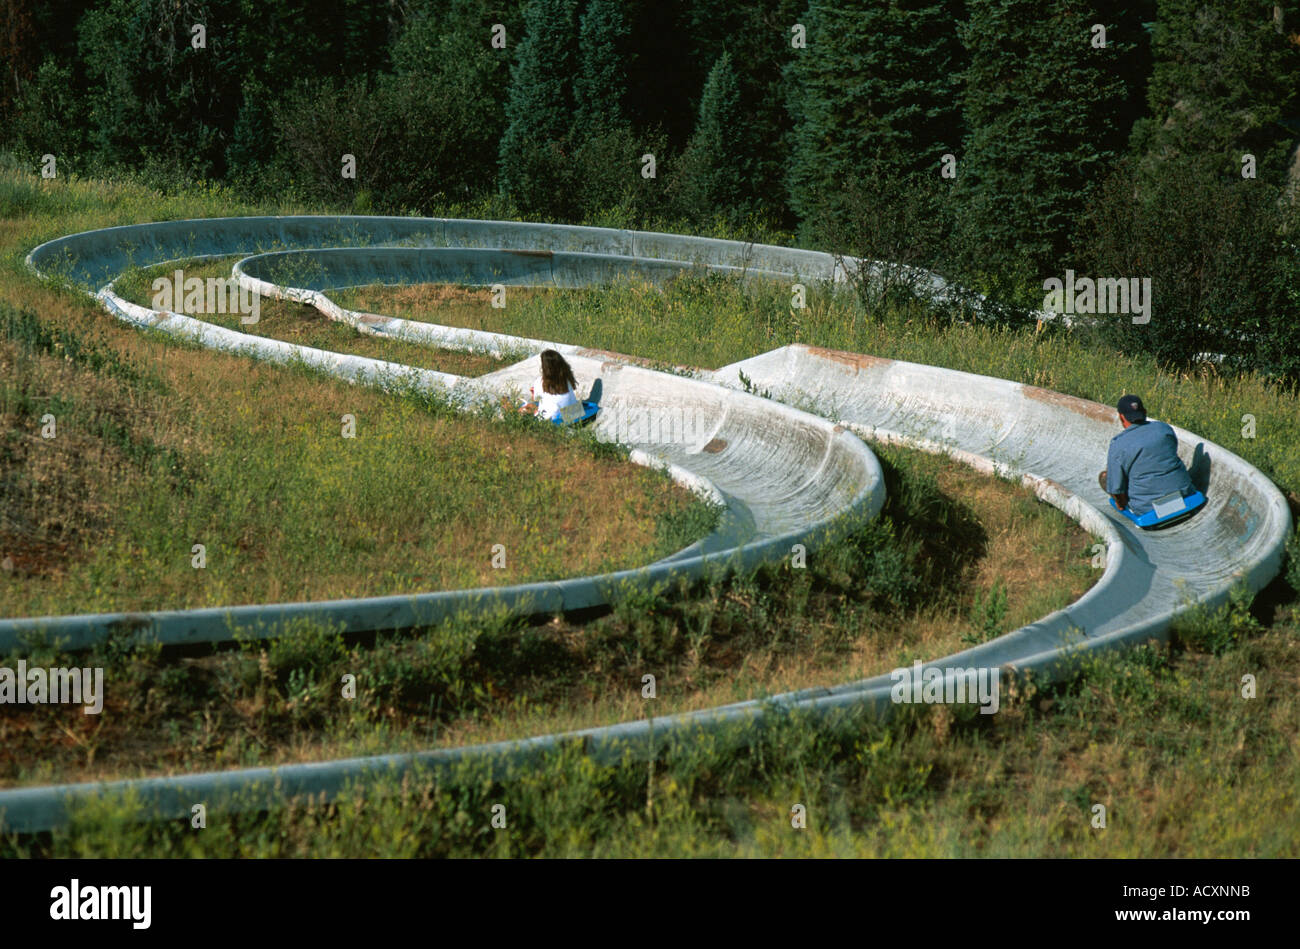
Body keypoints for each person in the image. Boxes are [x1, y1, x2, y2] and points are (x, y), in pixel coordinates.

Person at [1098, 394, 1194, 516]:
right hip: (1185, 493)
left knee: (1107, 476)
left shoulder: (1118, 444)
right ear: (1144, 412)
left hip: (1147, 507)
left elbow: (1116, 488)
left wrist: (1120, 504)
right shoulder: (1164, 428)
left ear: (1121, 417)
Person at [520, 349, 580, 421]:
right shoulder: (567, 378)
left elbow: (535, 399)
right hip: (574, 412)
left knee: (527, 407)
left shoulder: (540, 382)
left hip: (553, 417)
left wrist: (533, 392)